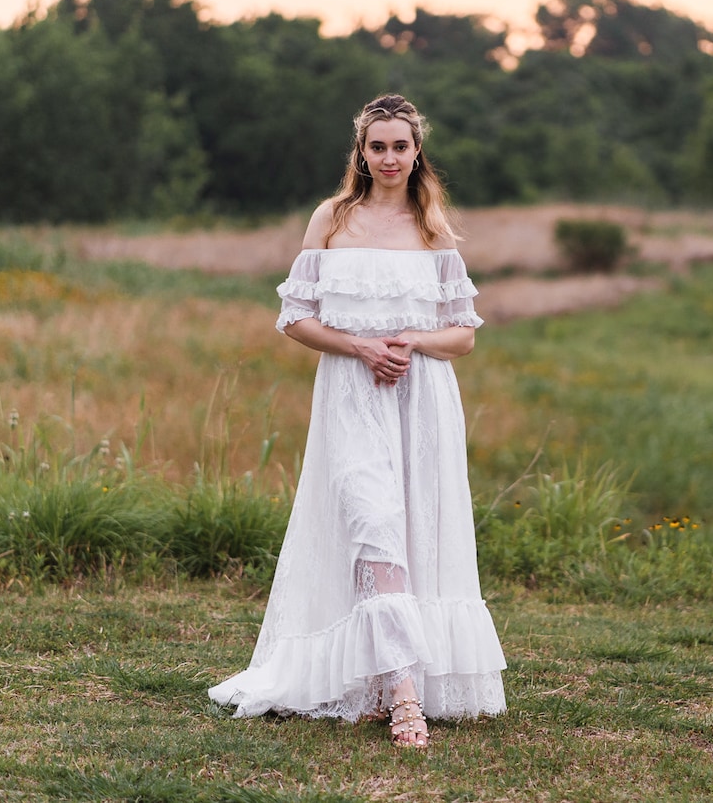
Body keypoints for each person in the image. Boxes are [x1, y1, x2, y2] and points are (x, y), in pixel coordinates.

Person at [209, 94, 507, 748]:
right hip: (350, 393)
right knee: (372, 527)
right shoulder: (332, 219)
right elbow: (295, 317)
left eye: (401, 146)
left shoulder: (434, 229)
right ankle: (405, 701)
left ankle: (384, 681)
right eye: (378, 146)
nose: (390, 157)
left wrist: (411, 340)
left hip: (422, 400)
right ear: (362, 152)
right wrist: (360, 346)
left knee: (411, 533)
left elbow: (463, 335)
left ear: (416, 151)